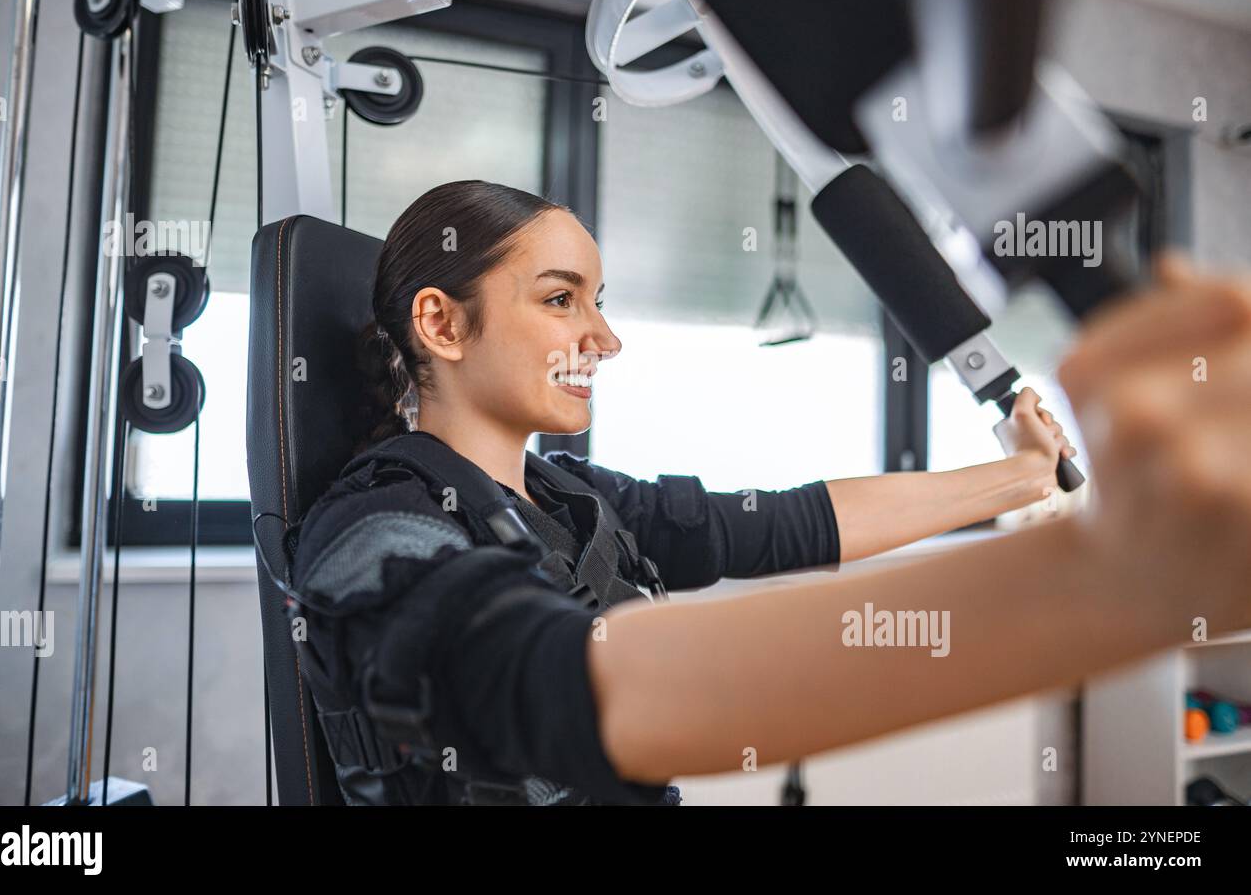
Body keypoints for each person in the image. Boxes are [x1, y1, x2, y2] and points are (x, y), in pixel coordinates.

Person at [289, 178, 1251, 805]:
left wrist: (1023, 477)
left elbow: (790, 522)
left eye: (600, 301)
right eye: (559, 299)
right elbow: (568, 687)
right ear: (441, 325)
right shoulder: (373, 533)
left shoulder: (573, 499)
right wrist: (1117, 581)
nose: (606, 338)